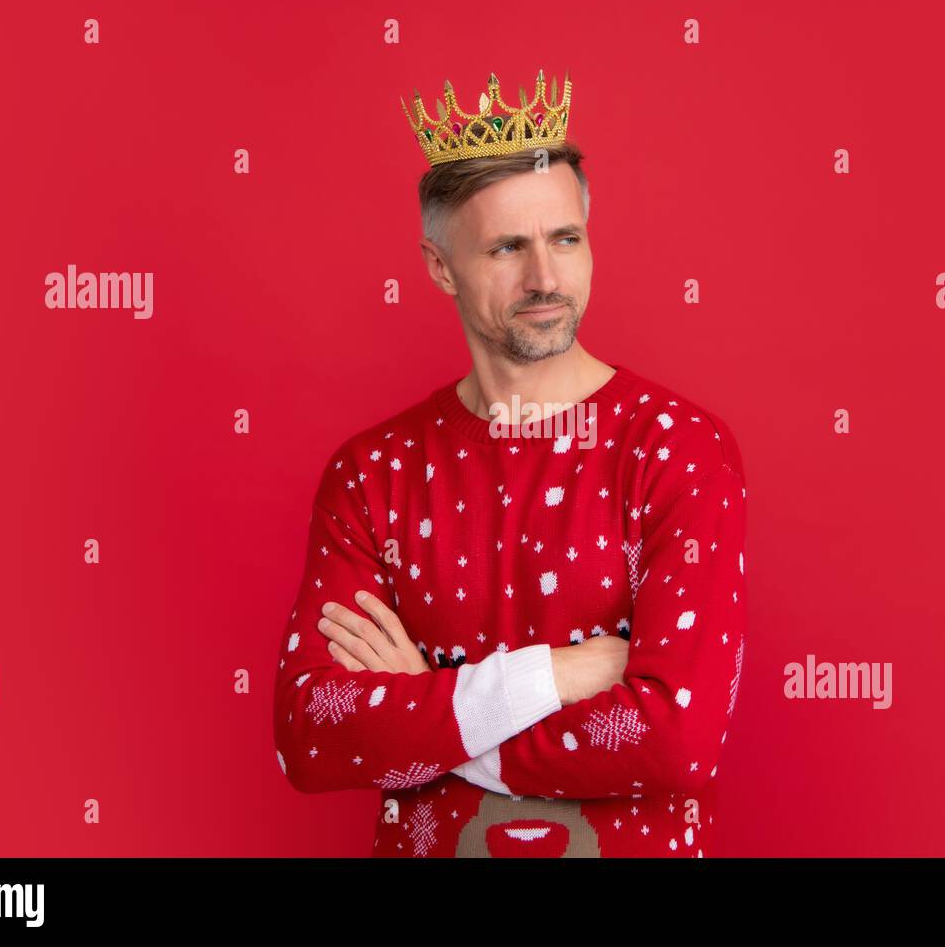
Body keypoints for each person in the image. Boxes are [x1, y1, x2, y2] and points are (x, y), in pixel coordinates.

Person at [273, 69, 748, 857]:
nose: (545, 279)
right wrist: (556, 678)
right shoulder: (372, 474)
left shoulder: (679, 449)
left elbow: (678, 739)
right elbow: (312, 735)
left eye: (566, 238)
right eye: (506, 247)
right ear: (438, 265)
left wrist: (432, 709)